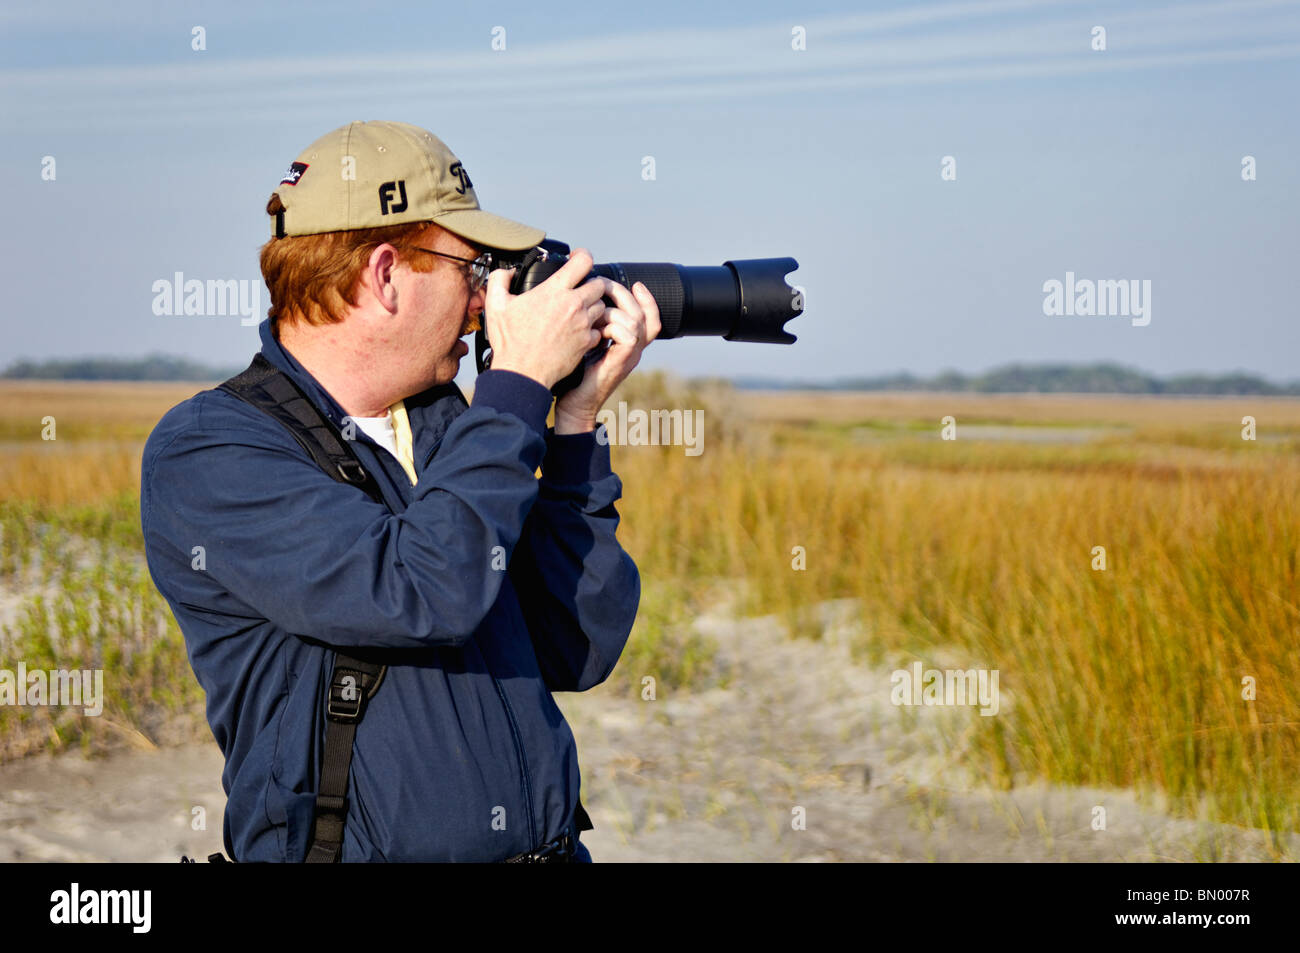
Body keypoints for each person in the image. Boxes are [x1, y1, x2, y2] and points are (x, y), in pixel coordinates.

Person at [140, 119, 660, 862]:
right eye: (471, 270)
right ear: (384, 274)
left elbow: (575, 647)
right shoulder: (212, 450)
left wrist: (572, 424)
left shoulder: (455, 430)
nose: (485, 301)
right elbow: (421, 587)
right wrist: (514, 391)